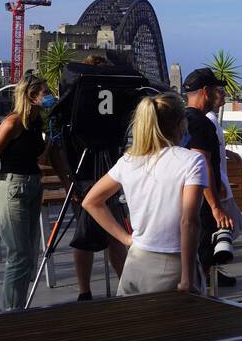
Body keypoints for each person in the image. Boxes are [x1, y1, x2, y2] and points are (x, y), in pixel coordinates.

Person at [81, 91, 207, 299]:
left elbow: (91, 201)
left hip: (135, 262)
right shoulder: (192, 161)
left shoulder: (128, 161)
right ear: (180, 124)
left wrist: (125, 238)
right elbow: (189, 221)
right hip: (172, 264)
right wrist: (187, 277)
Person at [0, 75, 53, 310]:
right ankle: (11, 312)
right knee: (19, 254)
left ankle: (19, 306)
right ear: (32, 96)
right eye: (45, 92)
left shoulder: (36, 125)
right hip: (12, 187)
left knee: (29, 251)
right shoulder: (12, 123)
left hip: (33, 185)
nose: (49, 96)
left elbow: (41, 159)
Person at [63, 55, 128, 301]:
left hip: (100, 169)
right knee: (87, 234)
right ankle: (86, 290)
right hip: (87, 174)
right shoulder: (79, 105)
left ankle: (116, 287)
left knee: (111, 233)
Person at [182, 68, 236, 285]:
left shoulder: (182, 119)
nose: (219, 93)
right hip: (201, 200)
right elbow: (202, 165)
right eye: (216, 89)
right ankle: (201, 290)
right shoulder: (201, 123)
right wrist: (215, 207)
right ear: (205, 91)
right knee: (205, 247)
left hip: (185, 195)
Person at [206, 81, 242, 285]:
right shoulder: (208, 120)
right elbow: (205, 156)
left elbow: (214, 149)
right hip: (218, 185)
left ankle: (211, 269)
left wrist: (228, 152)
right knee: (231, 226)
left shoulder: (212, 120)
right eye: (220, 92)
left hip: (220, 182)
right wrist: (217, 183)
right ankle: (211, 269)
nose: (224, 96)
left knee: (232, 226)